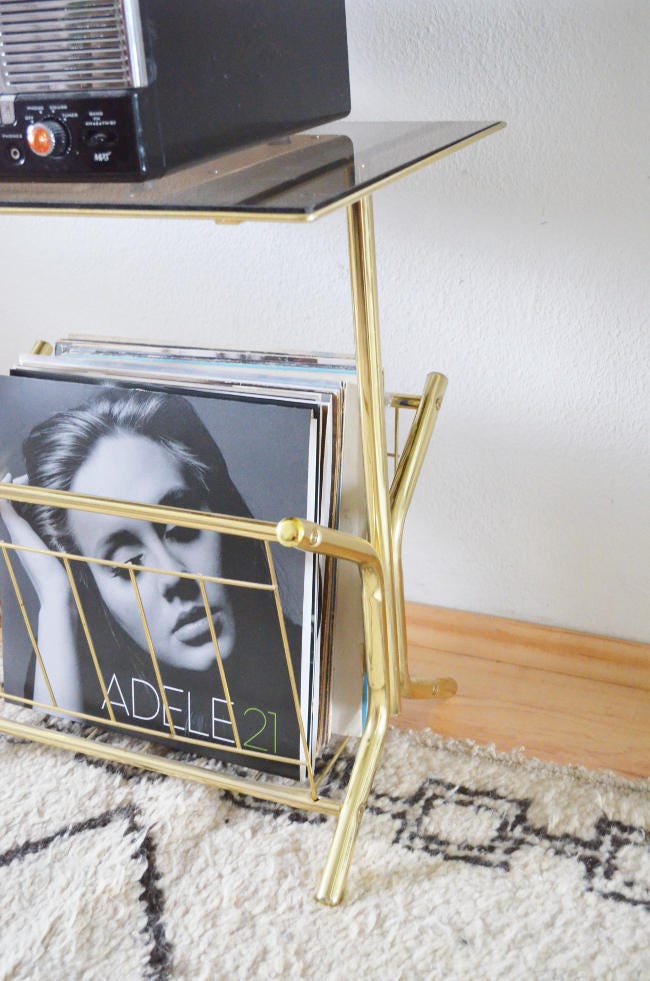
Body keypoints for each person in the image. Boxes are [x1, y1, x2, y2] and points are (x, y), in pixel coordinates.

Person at [0, 387, 302, 765]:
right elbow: (51, 772)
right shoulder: (102, 692)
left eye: (182, 528)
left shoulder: (315, 682)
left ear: (223, 518)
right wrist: (56, 599)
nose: (173, 575)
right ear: (93, 587)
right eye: (128, 562)